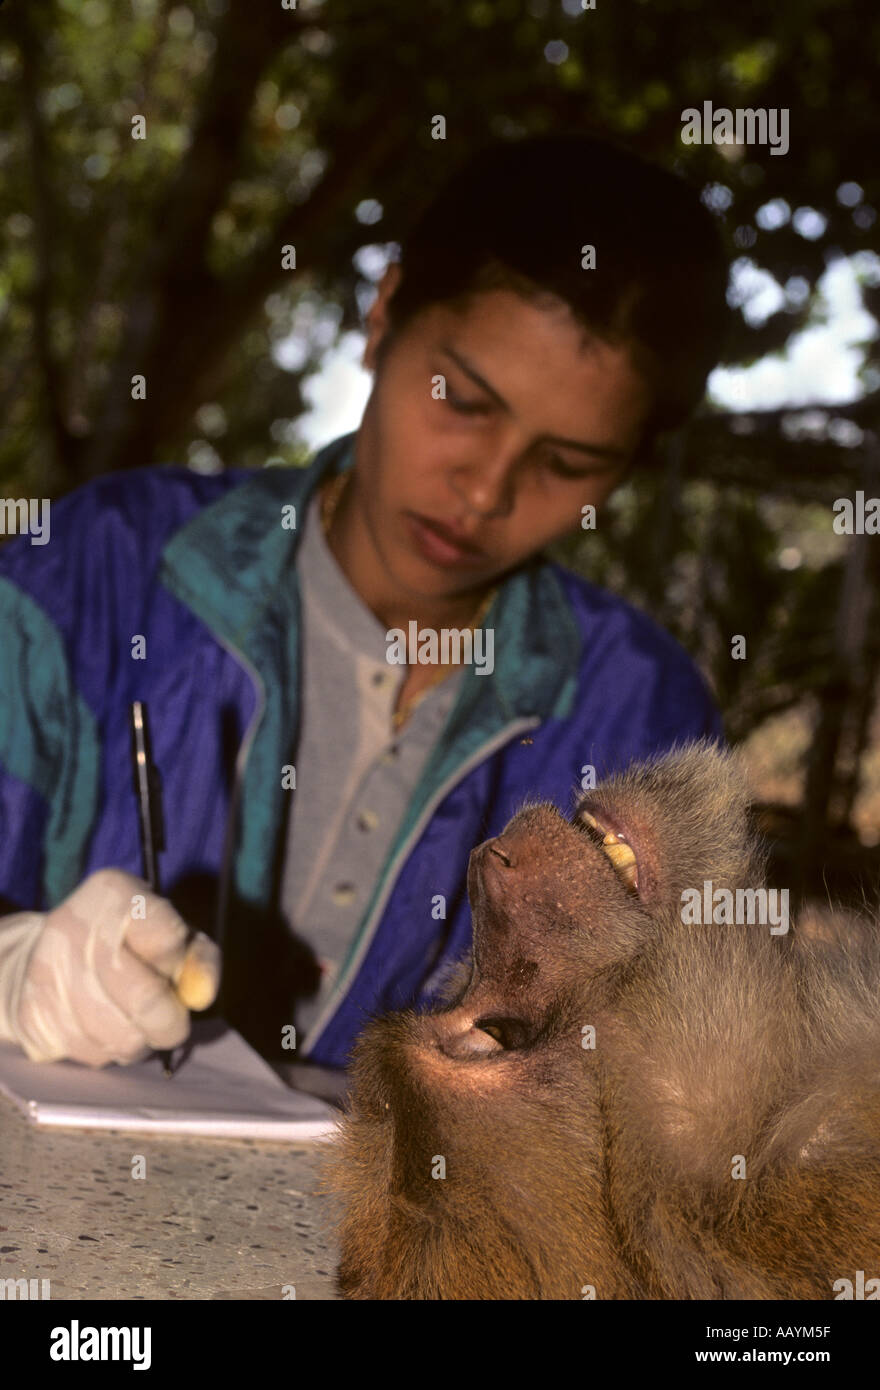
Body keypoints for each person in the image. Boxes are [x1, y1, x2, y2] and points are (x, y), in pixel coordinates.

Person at [0, 132, 728, 1088]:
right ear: (383, 319)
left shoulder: (646, 726)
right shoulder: (100, 571)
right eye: (462, 401)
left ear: (627, 469)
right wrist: (14, 968)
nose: (485, 490)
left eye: (566, 464)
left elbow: (660, 1095)